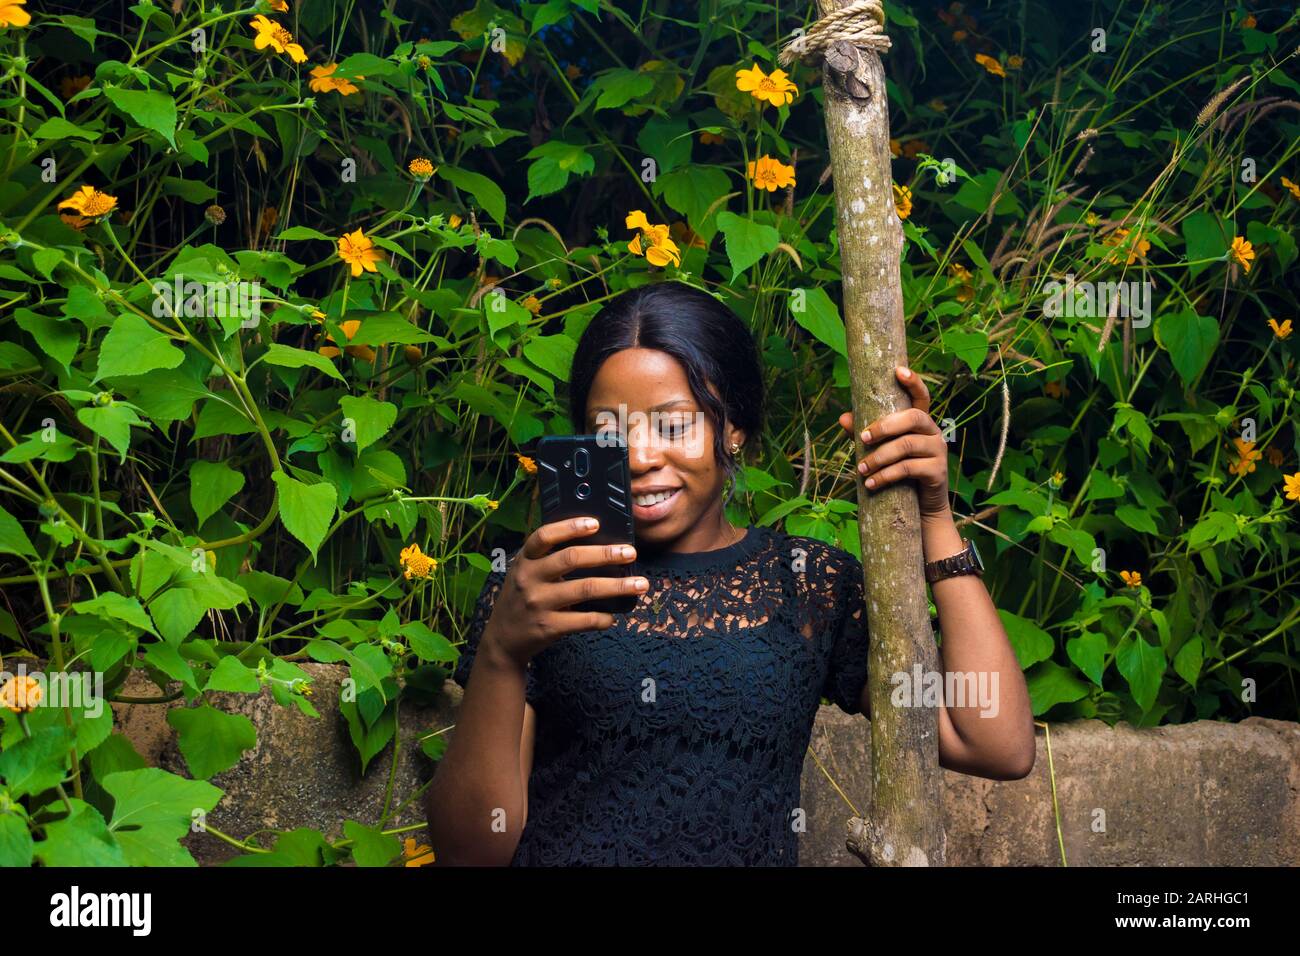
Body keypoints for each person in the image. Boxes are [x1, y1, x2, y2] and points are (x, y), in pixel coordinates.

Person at [424, 280, 1034, 866]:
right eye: (608, 429)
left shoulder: (806, 584)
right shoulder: (538, 587)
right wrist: (503, 651)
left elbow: (994, 744)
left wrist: (934, 513)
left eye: (673, 424)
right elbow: (471, 851)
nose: (639, 457)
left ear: (733, 429)